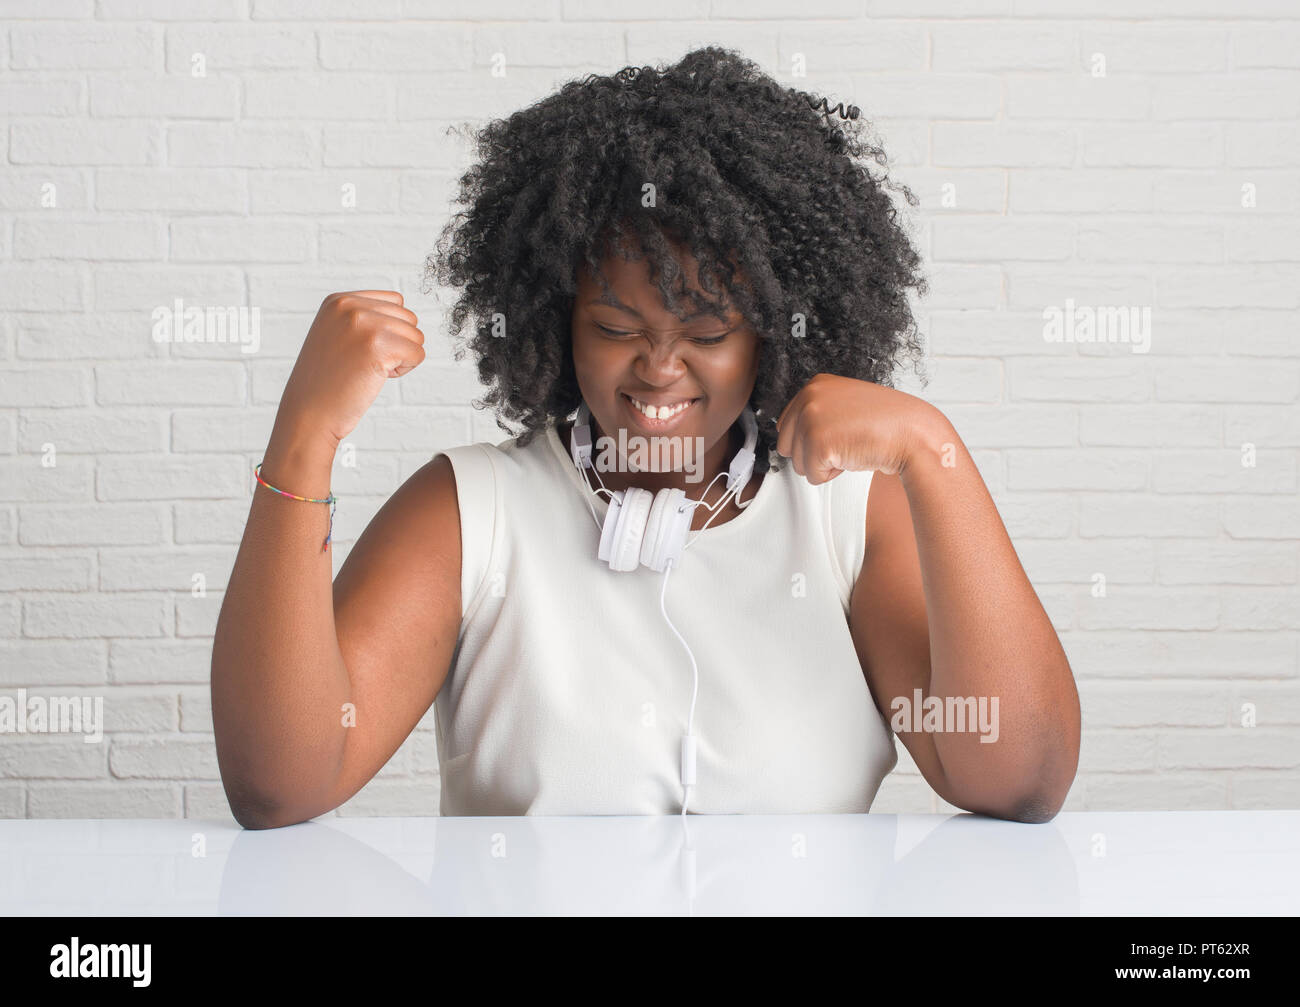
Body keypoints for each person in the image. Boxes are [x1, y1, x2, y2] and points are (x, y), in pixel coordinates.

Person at [212, 46, 1080, 828]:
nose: (660, 368)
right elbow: (281, 784)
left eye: (707, 334)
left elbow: (1018, 777)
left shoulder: (848, 515)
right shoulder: (470, 512)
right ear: (557, 322)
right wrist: (305, 435)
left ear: (774, 335)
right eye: (616, 327)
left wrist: (936, 457)